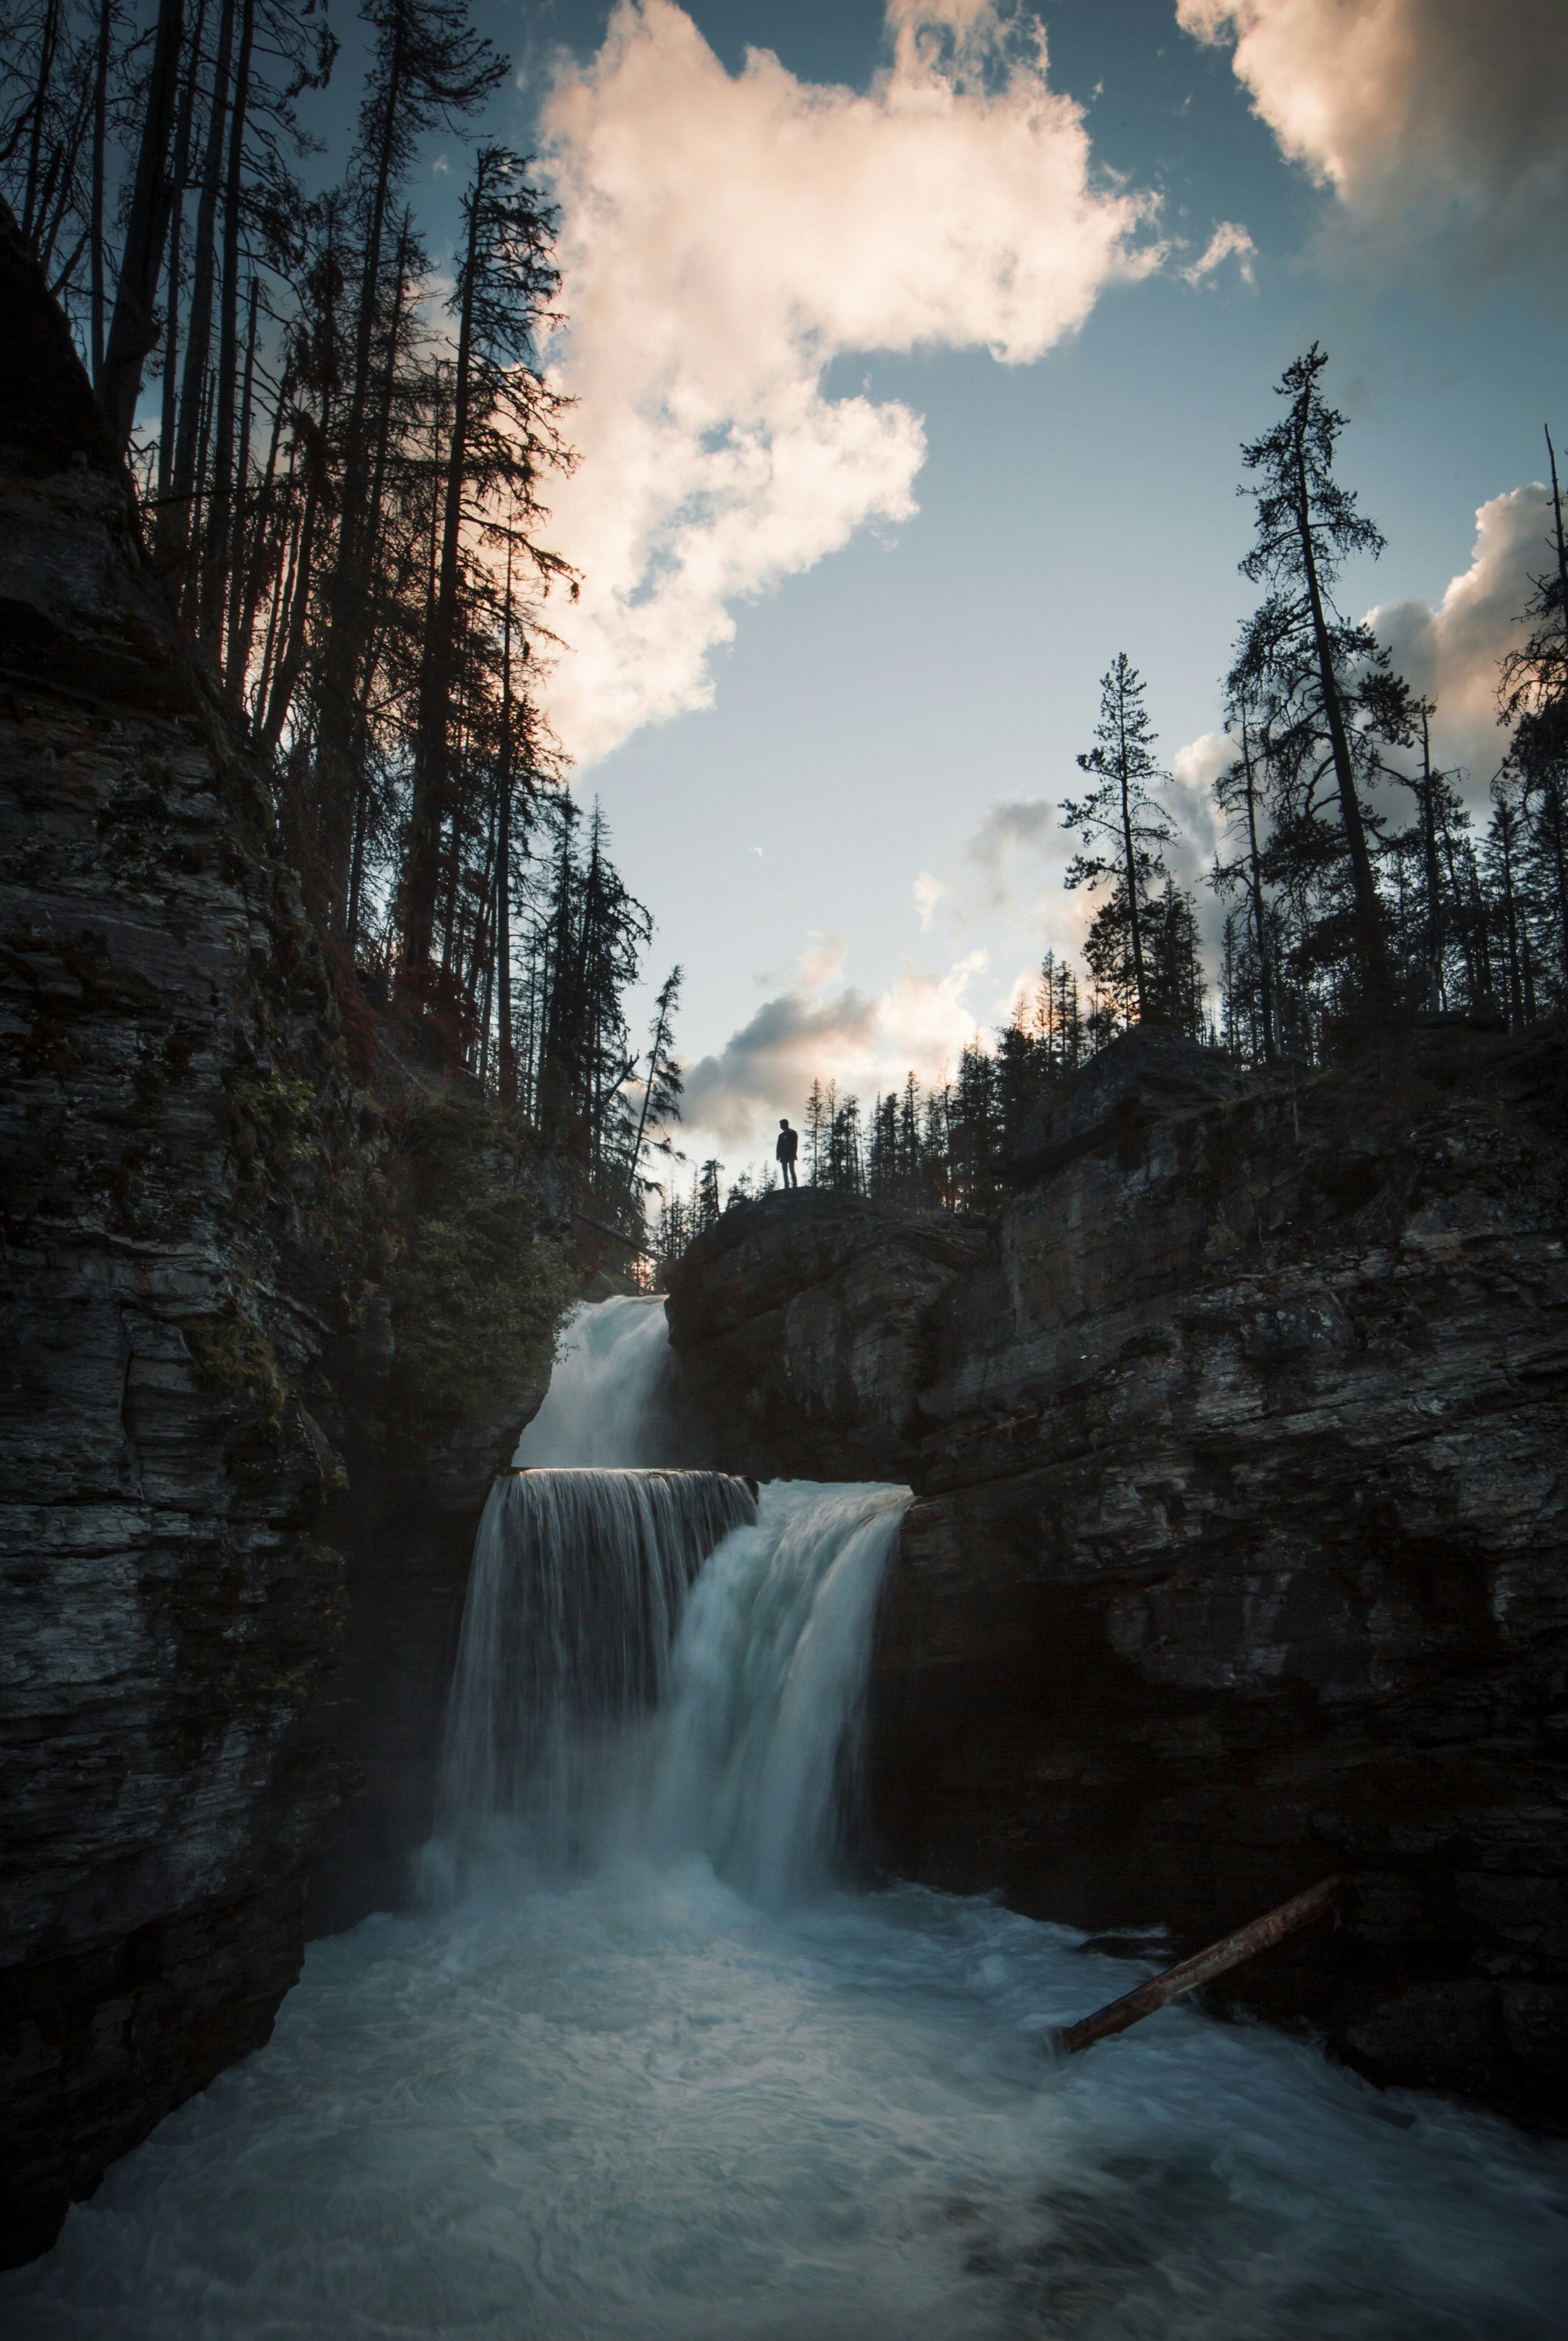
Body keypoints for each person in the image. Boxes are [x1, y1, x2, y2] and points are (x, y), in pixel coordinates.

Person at [775, 1117, 799, 1188]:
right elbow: (778, 1146)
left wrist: (793, 1153)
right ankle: (787, 1185)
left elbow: (795, 1144)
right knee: (785, 1172)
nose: (780, 1127)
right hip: (783, 1156)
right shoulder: (781, 1135)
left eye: (781, 1125)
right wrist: (778, 1156)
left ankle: (794, 1184)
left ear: (785, 1124)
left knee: (792, 1169)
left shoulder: (793, 1133)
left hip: (791, 1154)